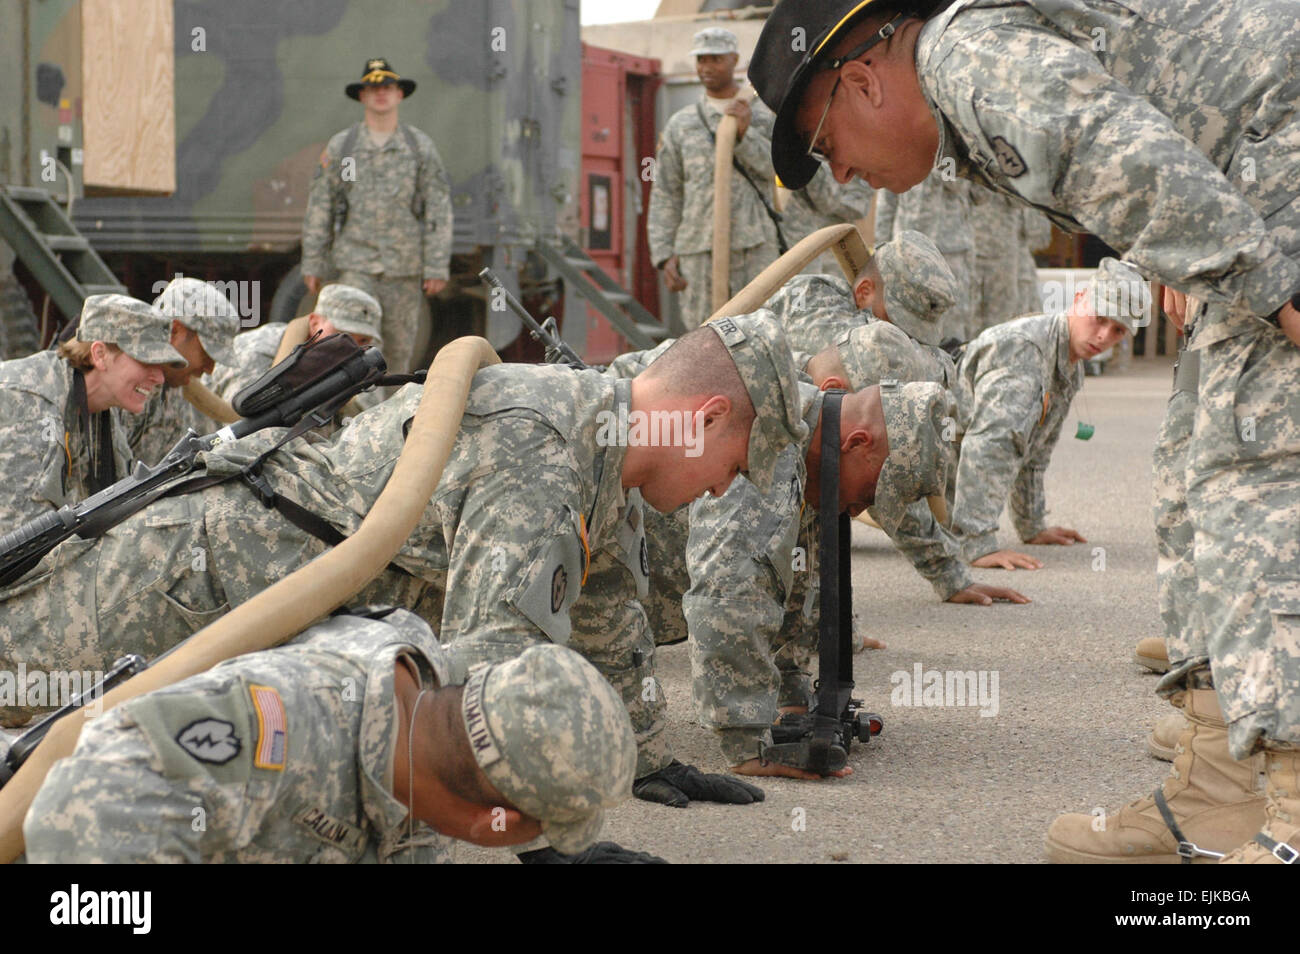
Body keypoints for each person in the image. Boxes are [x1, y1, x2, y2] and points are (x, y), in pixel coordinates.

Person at [748, 0, 1300, 863]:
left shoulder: (967, 60)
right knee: (1192, 472)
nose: (845, 177)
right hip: (1252, 166)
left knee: (1256, 470)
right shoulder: (965, 104)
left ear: (862, 79)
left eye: (828, 145)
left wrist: (1268, 290)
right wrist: (1181, 263)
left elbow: (1119, 150)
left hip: (1283, 142)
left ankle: (1296, 810)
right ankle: (1218, 790)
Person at [0, 311, 805, 825]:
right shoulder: (547, 447)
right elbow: (488, 676)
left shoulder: (602, 443)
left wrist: (639, 754)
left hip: (252, 584)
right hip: (195, 577)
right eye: (736, 463)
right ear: (704, 419)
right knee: (21, 699)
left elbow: (599, 608)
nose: (726, 487)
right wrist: (555, 835)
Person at [23, 610, 637, 863]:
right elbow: (69, 817)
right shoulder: (276, 737)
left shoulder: (431, 710)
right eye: (537, 832)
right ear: (491, 823)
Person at [947, 259, 1146, 570]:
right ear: (1080, 299)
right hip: (920, 465)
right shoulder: (1024, 351)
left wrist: (1032, 525)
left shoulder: (1069, 362)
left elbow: (1035, 450)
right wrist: (977, 544)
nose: (1104, 336)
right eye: (1100, 318)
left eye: (1118, 330)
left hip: (951, 469)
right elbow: (990, 445)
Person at [300, 58, 452, 373]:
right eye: (373, 88)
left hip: (403, 270)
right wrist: (313, 261)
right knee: (348, 350)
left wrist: (436, 264)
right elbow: (321, 204)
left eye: (388, 87)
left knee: (396, 356)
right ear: (361, 96)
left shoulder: (418, 147)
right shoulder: (344, 146)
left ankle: (389, 420)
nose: (380, 93)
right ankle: (348, 417)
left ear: (399, 95)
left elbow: (437, 207)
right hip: (356, 266)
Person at [0, 293, 185, 528]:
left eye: (161, 365)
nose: (159, 377)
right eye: (146, 361)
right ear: (100, 354)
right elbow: (18, 542)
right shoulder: (30, 406)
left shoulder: (104, 409)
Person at [647, 28, 782, 330]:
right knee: (703, 338)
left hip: (753, 248)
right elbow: (666, 191)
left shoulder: (762, 114)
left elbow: (778, 171)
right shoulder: (682, 123)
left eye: (716, 59)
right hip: (698, 251)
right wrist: (664, 254)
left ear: (734, 60)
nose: (706, 67)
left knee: (758, 332)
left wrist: (746, 134)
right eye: (701, 60)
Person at [120, 278, 241, 467]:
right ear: (175, 332)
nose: (210, 370)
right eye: (206, 354)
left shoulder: (173, 382)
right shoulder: (121, 381)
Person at [204, 283, 383, 404]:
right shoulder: (260, 353)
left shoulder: (361, 367)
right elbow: (239, 430)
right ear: (314, 323)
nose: (351, 347)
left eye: (363, 340)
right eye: (343, 335)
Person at [874, 169, 976, 341]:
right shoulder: (902, 147)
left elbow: (957, 184)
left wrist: (942, 154)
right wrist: (880, 249)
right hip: (906, 252)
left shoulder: (953, 150)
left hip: (949, 251)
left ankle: (950, 365)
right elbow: (887, 200)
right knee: (903, 317)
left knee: (951, 322)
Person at [777, 165, 875, 276]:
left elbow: (859, 206)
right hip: (796, 240)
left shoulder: (858, 162)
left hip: (834, 249)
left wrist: (834, 202)